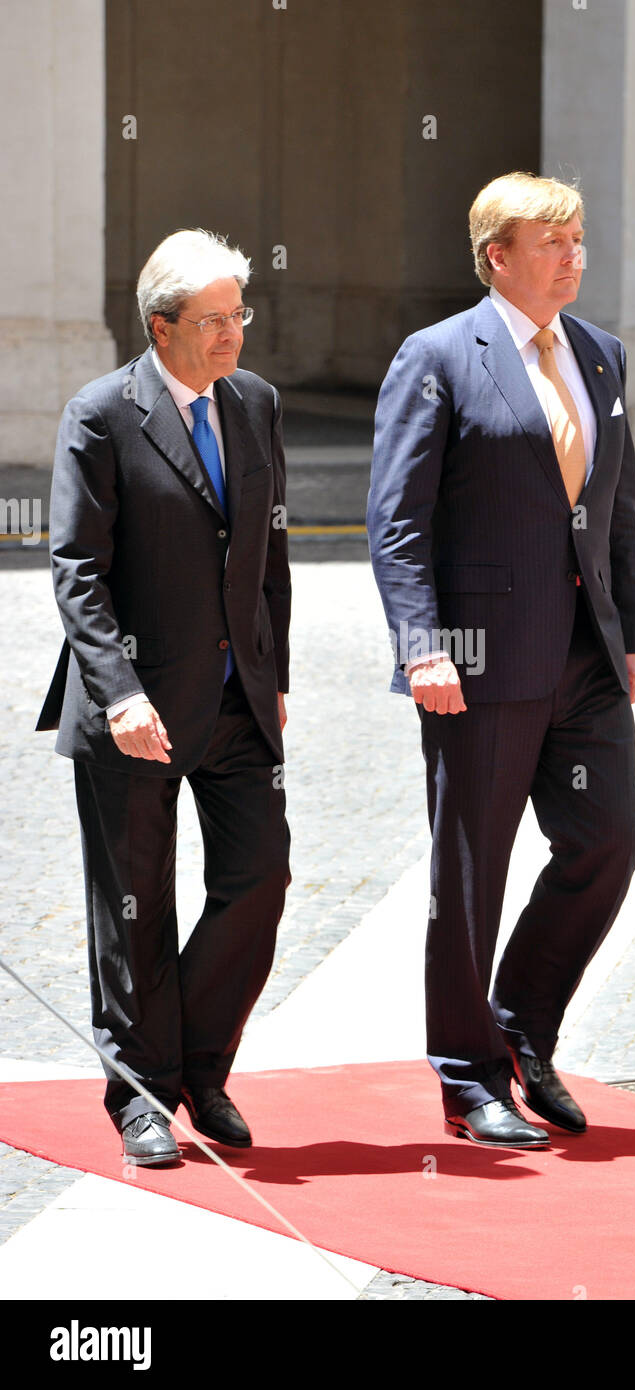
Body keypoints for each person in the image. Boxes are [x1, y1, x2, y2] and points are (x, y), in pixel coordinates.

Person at [367, 172, 635, 1148]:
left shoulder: (602, 359)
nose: (575, 256)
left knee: (608, 837)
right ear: (498, 254)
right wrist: (422, 647)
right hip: (478, 662)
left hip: (585, 654)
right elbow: (396, 521)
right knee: (471, 869)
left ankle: (524, 1023)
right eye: (554, 242)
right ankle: (467, 1071)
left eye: (579, 238)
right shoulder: (438, 356)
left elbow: (616, 508)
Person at [37, 229, 292, 1166]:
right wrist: (120, 695)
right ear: (161, 325)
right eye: (215, 320)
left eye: (240, 316)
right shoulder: (102, 414)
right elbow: (77, 571)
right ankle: (141, 1094)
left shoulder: (256, 404)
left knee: (260, 877)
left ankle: (199, 1062)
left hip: (235, 705)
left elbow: (270, 558)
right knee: (136, 903)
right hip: (134, 710)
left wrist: (277, 679)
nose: (233, 335)